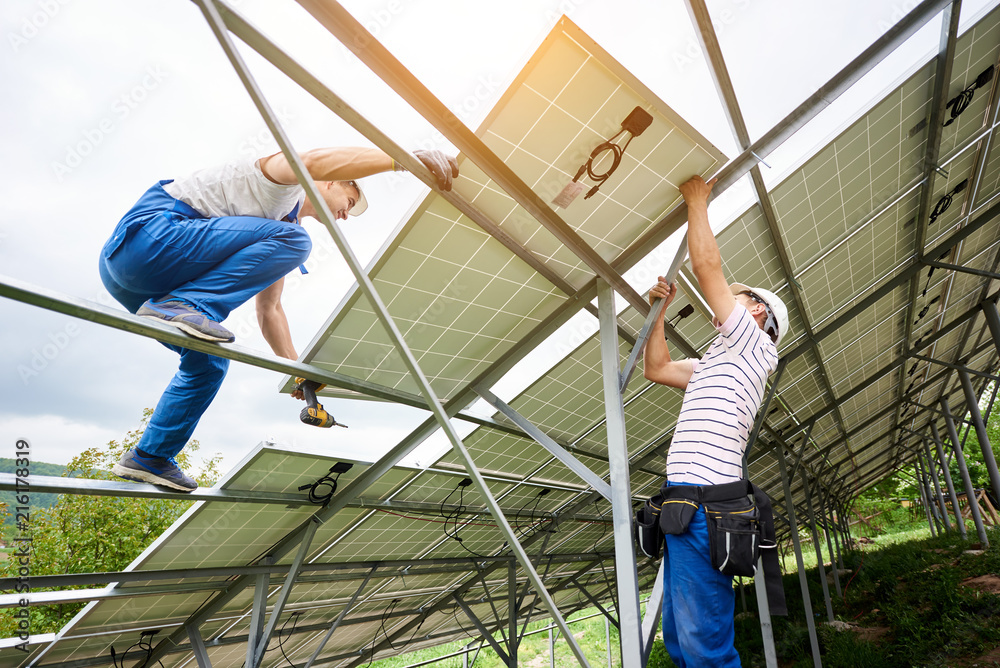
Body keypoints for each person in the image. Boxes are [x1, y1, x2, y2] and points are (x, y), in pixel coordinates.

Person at [99, 147, 459, 492]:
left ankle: (150, 456)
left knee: (210, 364)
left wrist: (296, 370)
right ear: (332, 181)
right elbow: (313, 159)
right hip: (147, 239)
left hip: (140, 284)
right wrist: (402, 159)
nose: (346, 214)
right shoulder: (280, 186)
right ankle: (184, 303)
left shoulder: (276, 233)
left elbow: (269, 310)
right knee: (296, 241)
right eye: (349, 202)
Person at [642, 174, 788, 667]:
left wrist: (697, 201)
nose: (731, 297)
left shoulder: (754, 347)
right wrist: (658, 313)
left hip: (707, 512)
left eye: (743, 296)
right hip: (687, 507)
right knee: (681, 641)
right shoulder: (711, 364)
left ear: (761, 315)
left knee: (705, 645)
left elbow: (707, 268)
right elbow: (656, 368)